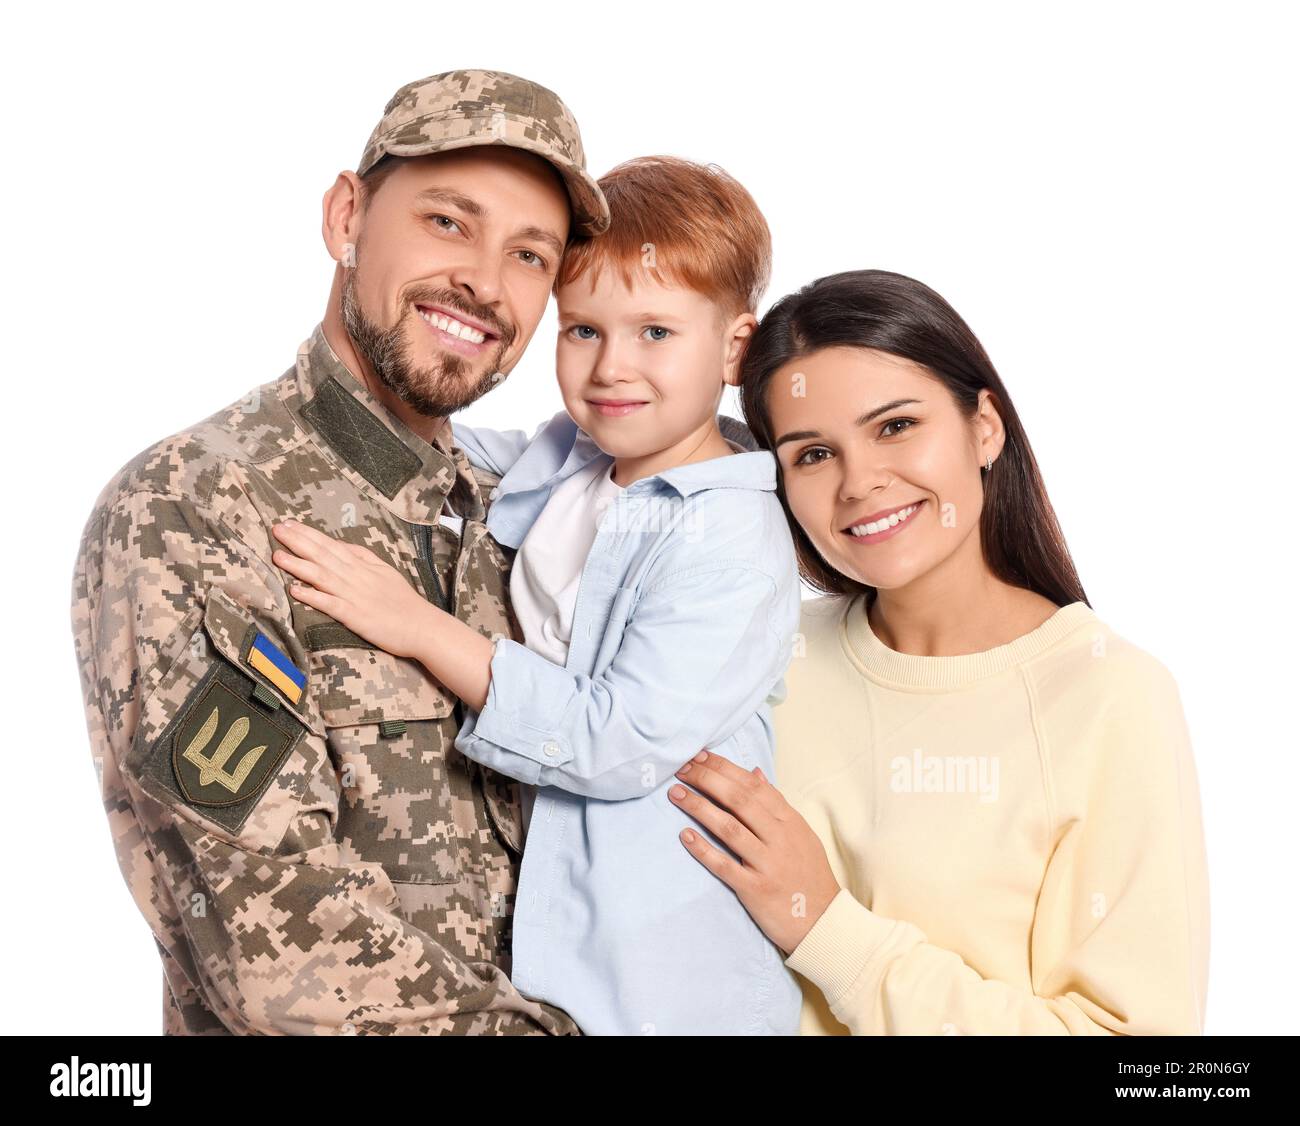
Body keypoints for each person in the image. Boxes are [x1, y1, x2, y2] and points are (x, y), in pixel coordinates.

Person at [67, 69, 609, 1035]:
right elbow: (277, 940)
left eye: (531, 255)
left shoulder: (528, 520)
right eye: (448, 222)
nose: (485, 285)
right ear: (346, 216)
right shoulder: (199, 507)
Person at [270, 156, 805, 1035]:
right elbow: (444, 445)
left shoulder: (732, 541)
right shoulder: (580, 459)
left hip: (666, 971)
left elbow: (614, 738)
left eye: (656, 333)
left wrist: (419, 629)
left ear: (735, 349)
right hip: (553, 945)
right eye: (583, 330)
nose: (610, 368)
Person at [665, 269, 1211, 1035]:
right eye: (813, 454)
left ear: (984, 426)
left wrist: (826, 927)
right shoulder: (758, 650)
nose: (860, 483)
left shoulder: (1109, 696)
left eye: (895, 426)